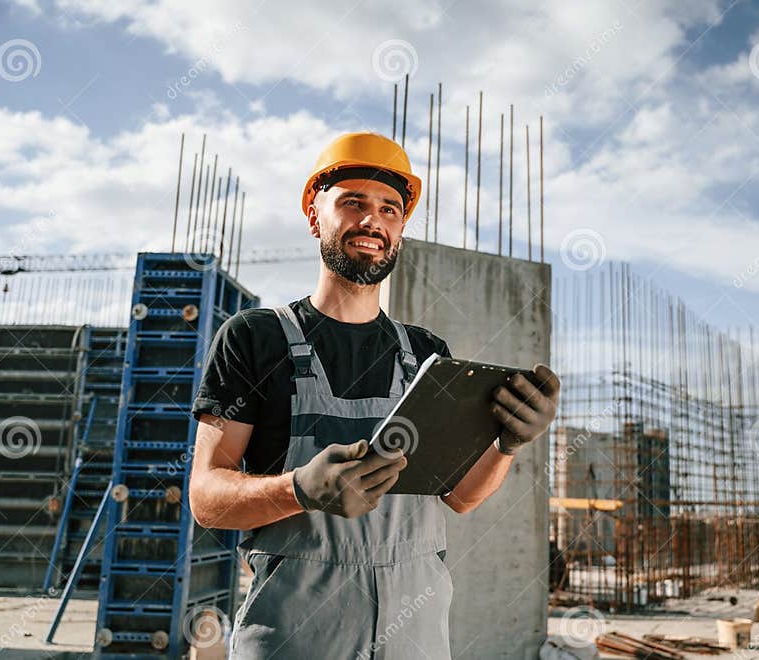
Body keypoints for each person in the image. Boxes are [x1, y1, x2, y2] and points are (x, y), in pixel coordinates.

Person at [188, 131, 560, 659]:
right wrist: (299, 488)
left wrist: (507, 444)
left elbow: (460, 496)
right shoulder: (254, 339)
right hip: (296, 636)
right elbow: (206, 499)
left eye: (390, 209)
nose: (373, 221)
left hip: (417, 635)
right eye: (353, 203)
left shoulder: (427, 355)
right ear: (316, 217)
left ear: (401, 230)